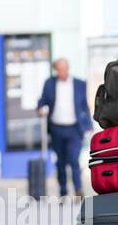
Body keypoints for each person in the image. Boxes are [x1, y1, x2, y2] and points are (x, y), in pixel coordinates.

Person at [36, 59, 91, 199]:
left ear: (68, 68)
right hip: (56, 128)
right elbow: (42, 101)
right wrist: (40, 109)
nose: (62, 72)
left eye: (64, 69)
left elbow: (84, 106)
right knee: (60, 162)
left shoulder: (79, 84)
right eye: (59, 70)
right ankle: (63, 191)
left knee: (73, 159)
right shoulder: (49, 83)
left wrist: (88, 125)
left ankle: (78, 189)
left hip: (74, 128)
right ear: (56, 70)